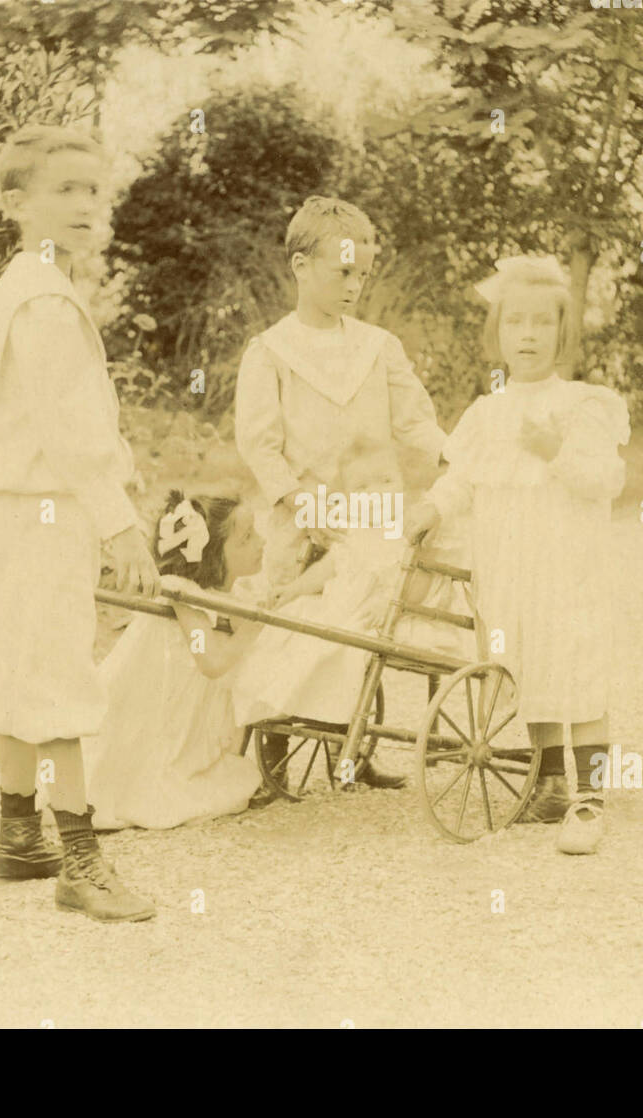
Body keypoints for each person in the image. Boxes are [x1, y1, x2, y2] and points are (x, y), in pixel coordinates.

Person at [0, 124, 161, 921]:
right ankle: (81, 859)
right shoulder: (41, 301)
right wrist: (121, 525)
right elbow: (72, 438)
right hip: (37, 510)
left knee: (23, 665)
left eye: (92, 191)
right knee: (62, 673)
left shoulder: (29, 288)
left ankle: (17, 835)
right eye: (64, 190)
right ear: (14, 202)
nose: (84, 205)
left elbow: (72, 421)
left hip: (5, 507)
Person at [404, 255, 630, 855]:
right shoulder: (486, 413)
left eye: (540, 324)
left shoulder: (584, 404)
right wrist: (428, 510)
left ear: (563, 333)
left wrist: (557, 449)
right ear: (497, 333)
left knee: (573, 666)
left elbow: (604, 479)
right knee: (522, 661)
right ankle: (549, 779)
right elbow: (461, 481)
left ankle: (590, 799)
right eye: (514, 323)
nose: (526, 336)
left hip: (566, 568)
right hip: (508, 567)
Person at [234, 195, 450, 789]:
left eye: (363, 275)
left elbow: (414, 422)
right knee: (298, 620)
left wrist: (455, 453)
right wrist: (299, 505)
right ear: (302, 267)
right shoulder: (271, 352)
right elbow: (259, 444)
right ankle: (274, 744)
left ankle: (354, 745)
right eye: (343, 272)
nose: (355, 286)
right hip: (307, 518)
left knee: (369, 619)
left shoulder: (378, 347)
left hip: (374, 511)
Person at [84, 491, 265, 830]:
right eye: (247, 538)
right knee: (166, 783)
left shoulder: (228, 593)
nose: (261, 542)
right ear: (213, 556)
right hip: (155, 711)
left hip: (185, 711)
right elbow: (211, 661)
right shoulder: (184, 596)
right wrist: (250, 630)